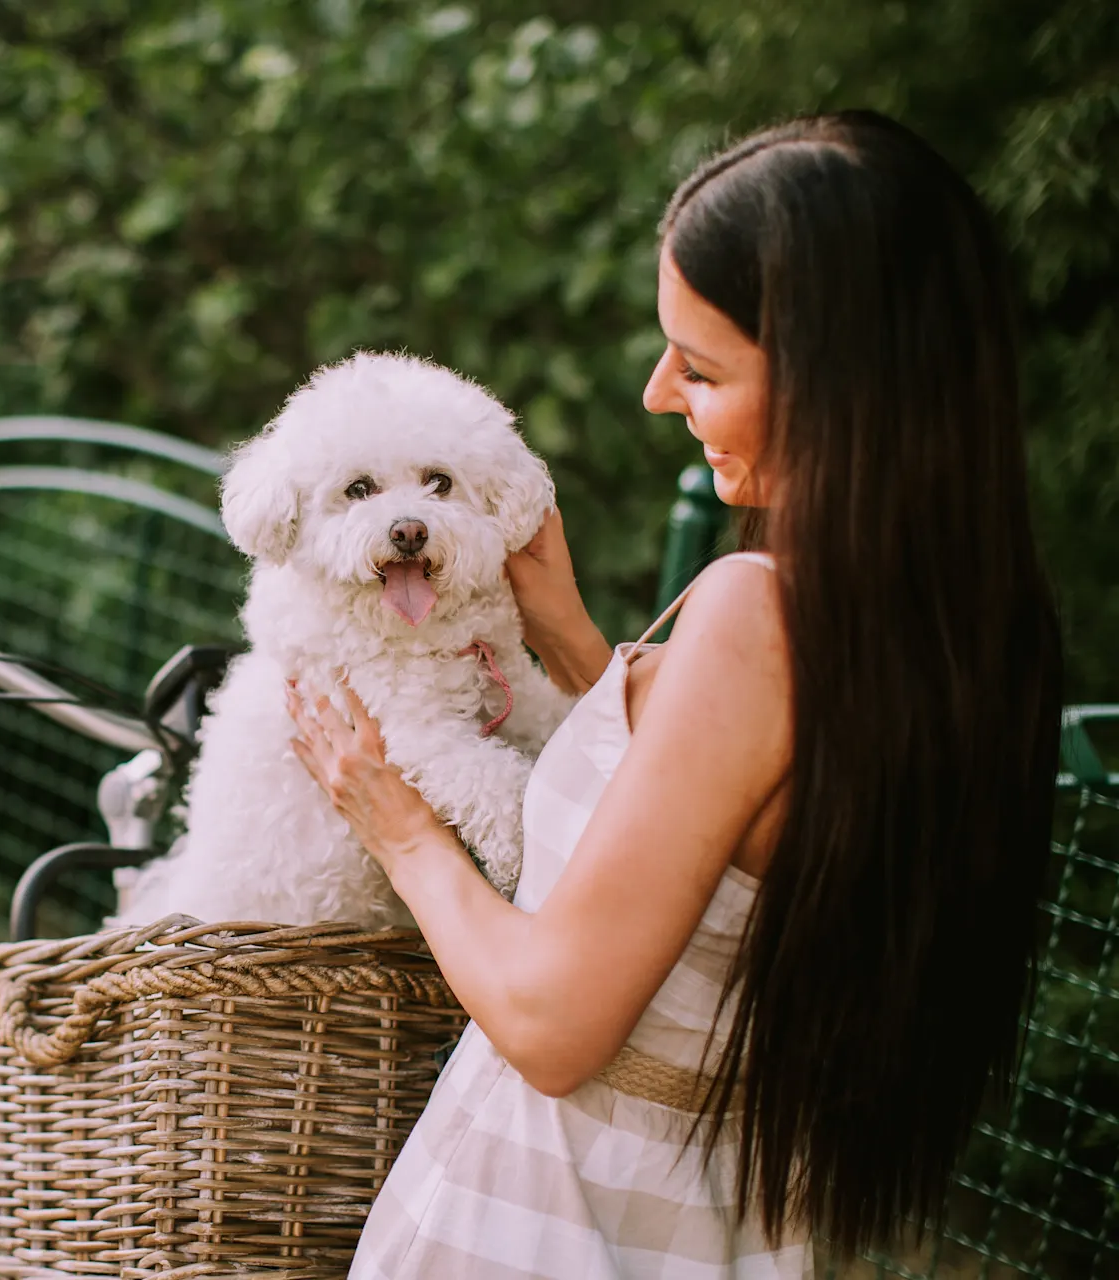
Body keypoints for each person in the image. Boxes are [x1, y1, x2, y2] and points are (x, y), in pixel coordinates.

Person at [286, 110, 1063, 1278]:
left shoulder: (757, 613)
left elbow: (550, 1022)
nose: (658, 394)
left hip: (552, 1229)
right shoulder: (966, 629)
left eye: (699, 366)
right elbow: (731, 847)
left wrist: (398, 825)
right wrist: (579, 650)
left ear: (835, 382)